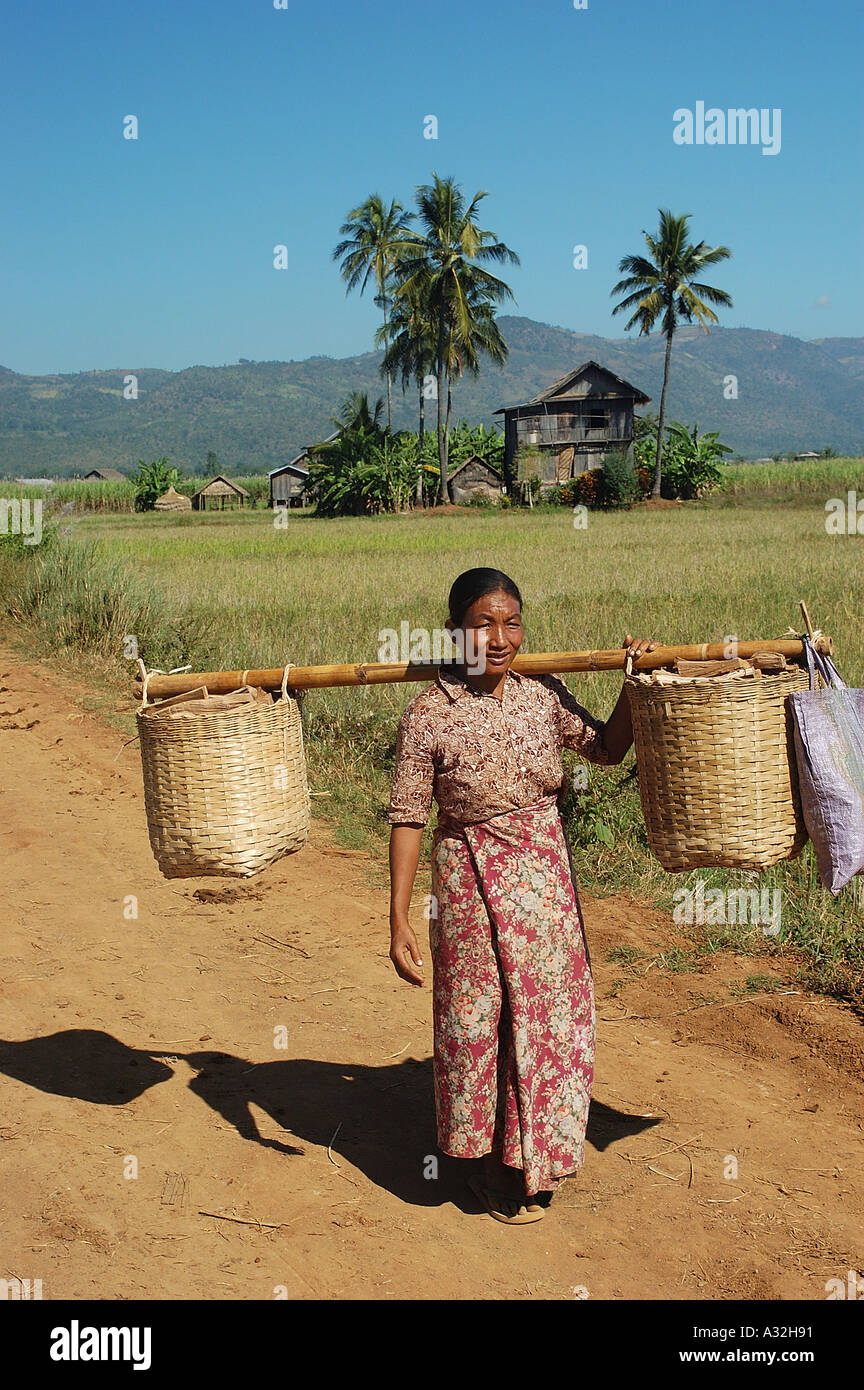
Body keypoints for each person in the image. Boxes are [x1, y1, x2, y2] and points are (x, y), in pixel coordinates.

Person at [387, 567, 658, 1224]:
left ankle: (530, 1155)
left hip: (542, 871)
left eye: (512, 622)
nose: (500, 637)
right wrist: (397, 916)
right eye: (484, 623)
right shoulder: (430, 712)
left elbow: (606, 748)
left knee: (548, 1016)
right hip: (466, 872)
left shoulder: (545, 694)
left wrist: (633, 682)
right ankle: (485, 1162)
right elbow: (407, 814)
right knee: (480, 1018)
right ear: (455, 632)